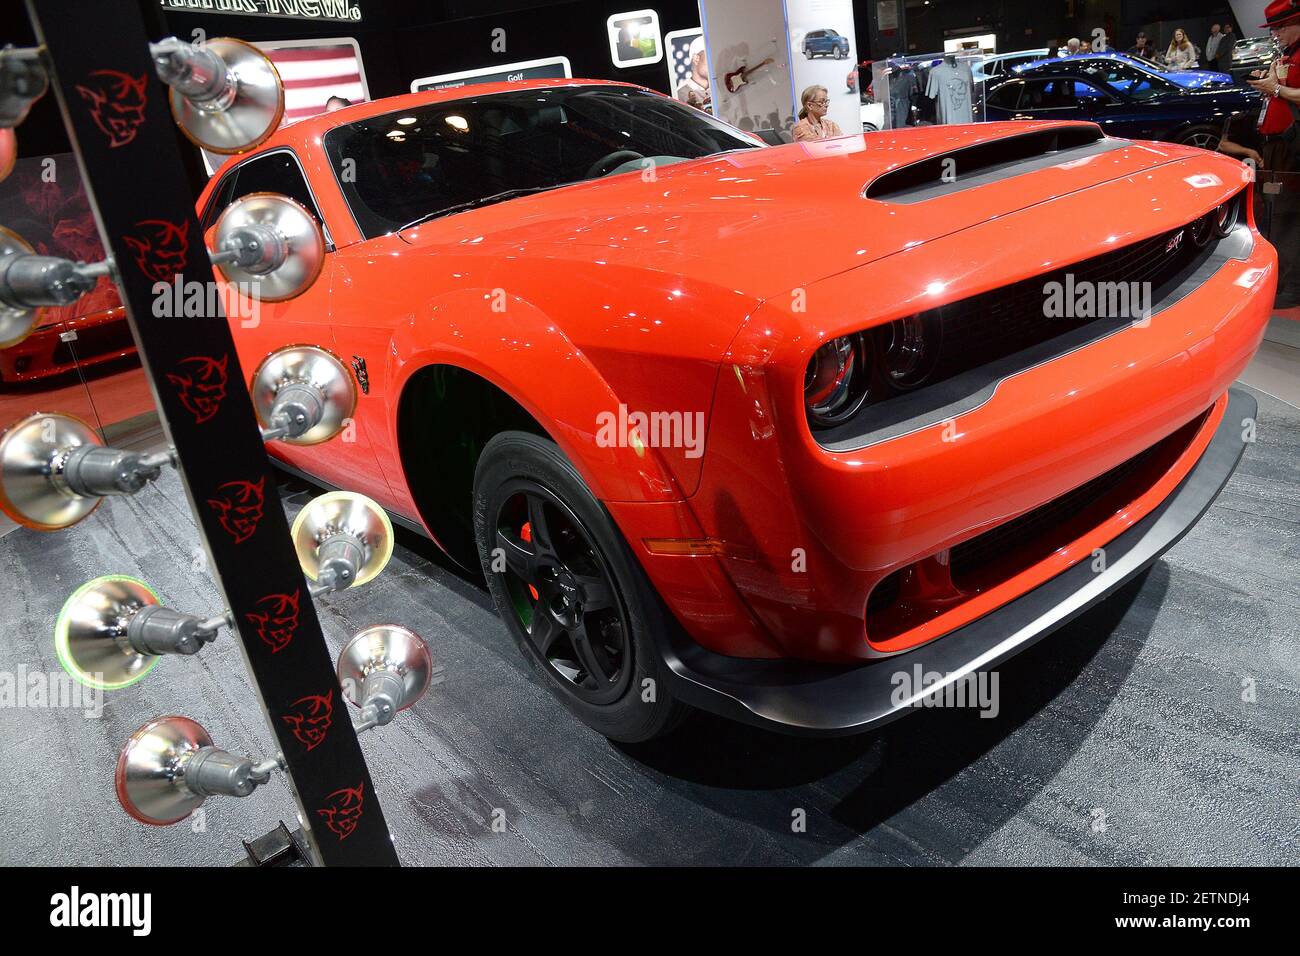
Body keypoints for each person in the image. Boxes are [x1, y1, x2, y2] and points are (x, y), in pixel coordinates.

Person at [1245, 0, 1300, 308]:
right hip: (1277, 145)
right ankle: (1282, 278)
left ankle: (1292, 284)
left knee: (1289, 212)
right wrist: (1269, 83)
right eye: (1273, 29)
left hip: (1291, 146)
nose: (1276, 34)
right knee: (1277, 211)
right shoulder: (1286, 54)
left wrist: (1276, 89)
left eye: (1280, 27)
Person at [676, 35, 711, 110]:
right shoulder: (679, 95)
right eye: (710, 56)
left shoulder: (722, 89)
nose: (714, 61)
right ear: (696, 59)